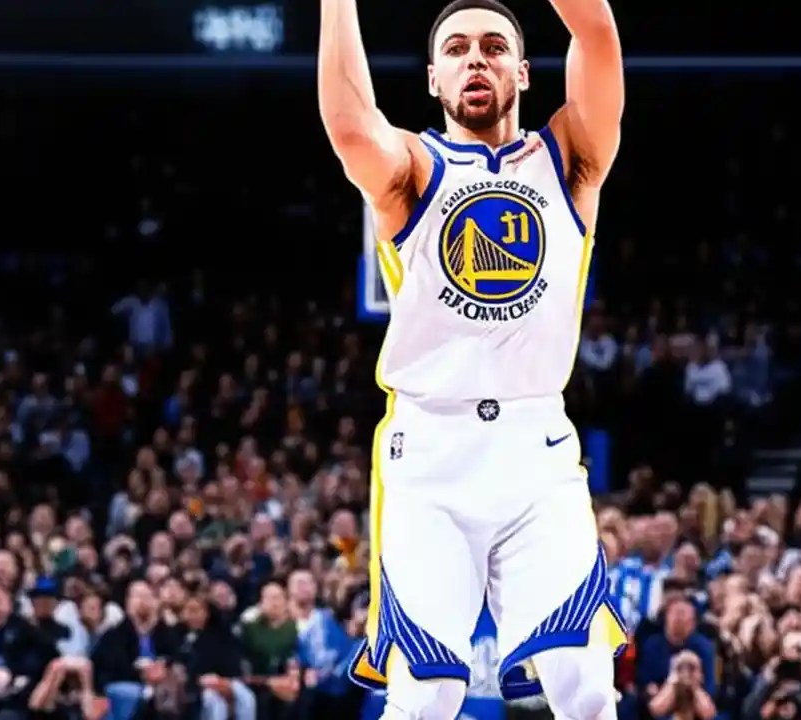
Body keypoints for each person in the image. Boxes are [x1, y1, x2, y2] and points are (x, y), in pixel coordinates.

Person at [316, 0, 627, 716]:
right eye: (456, 49)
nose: (475, 58)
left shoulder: (571, 155)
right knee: (428, 692)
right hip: (430, 453)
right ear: (433, 78)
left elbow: (598, 32)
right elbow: (347, 123)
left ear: (522, 69)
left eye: (493, 46)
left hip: (536, 449)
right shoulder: (413, 170)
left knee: (585, 682)